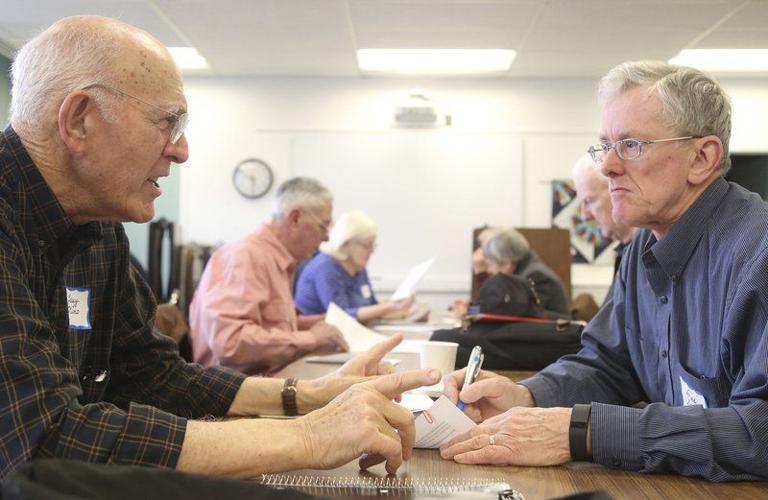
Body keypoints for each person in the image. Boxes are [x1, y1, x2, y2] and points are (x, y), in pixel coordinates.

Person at [0, 15, 439, 481]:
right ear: (79, 120)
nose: (181, 150)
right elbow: (43, 441)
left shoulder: (98, 226)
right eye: (168, 122)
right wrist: (310, 435)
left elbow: (152, 375)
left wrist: (307, 396)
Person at [441, 61, 768, 481]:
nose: (608, 166)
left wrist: (585, 432)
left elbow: (758, 431)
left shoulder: (757, 254)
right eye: (605, 146)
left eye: (631, 145)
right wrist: (526, 396)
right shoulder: (642, 248)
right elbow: (607, 364)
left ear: (702, 158)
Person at [188, 177, 350, 374]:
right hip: (237, 394)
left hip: (265, 380)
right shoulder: (246, 257)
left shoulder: (277, 260)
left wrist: (307, 325)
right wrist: (311, 338)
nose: (326, 237)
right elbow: (231, 342)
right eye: (323, 226)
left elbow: (263, 323)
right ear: (295, 219)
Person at [294, 210, 413, 323]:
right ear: (346, 244)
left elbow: (372, 307)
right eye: (367, 246)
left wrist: (404, 312)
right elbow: (342, 316)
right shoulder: (326, 268)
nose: (372, 252)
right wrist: (390, 307)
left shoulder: (358, 267)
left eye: (373, 245)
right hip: (322, 340)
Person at [482, 228, 570, 316]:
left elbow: (523, 314)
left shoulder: (535, 276)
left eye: (490, 264)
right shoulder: (528, 270)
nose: (489, 270)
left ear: (506, 262)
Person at [572, 153, 636, 274]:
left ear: (616, 190)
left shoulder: (647, 256)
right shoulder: (628, 254)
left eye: (588, 201)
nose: (584, 216)